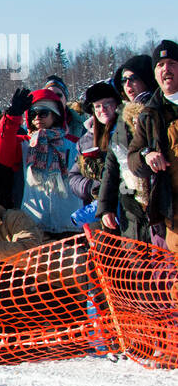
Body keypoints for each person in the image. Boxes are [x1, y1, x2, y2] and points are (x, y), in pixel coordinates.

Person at [0, 86, 82, 238]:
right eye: (33, 114)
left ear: (56, 115)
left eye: (43, 113)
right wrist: (12, 116)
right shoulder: (24, 145)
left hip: (71, 225)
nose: (37, 118)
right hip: (34, 226)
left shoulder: (74, 144)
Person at [98, 55, 156, 241]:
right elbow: (112, 165)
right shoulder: (122, 117)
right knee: (136, 266)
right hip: (131, 206)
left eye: (133, 78)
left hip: (160, 203)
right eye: (124, 80)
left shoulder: (159, 111)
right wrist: (106, 206)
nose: (128, 85)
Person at [128, 40, 178, 252]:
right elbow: (133, 160)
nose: (166, 68)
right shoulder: (148, 115)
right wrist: (146, 156)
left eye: (172, 63)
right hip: (174, 213)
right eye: (160, 64)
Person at [68, 81, 120, 209]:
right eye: (97, 106)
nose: (102, 109)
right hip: (97, 208)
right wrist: (91, 187)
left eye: (107, 104)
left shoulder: (127, 132)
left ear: (116, 104)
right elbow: (74, 177)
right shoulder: (85, 141)